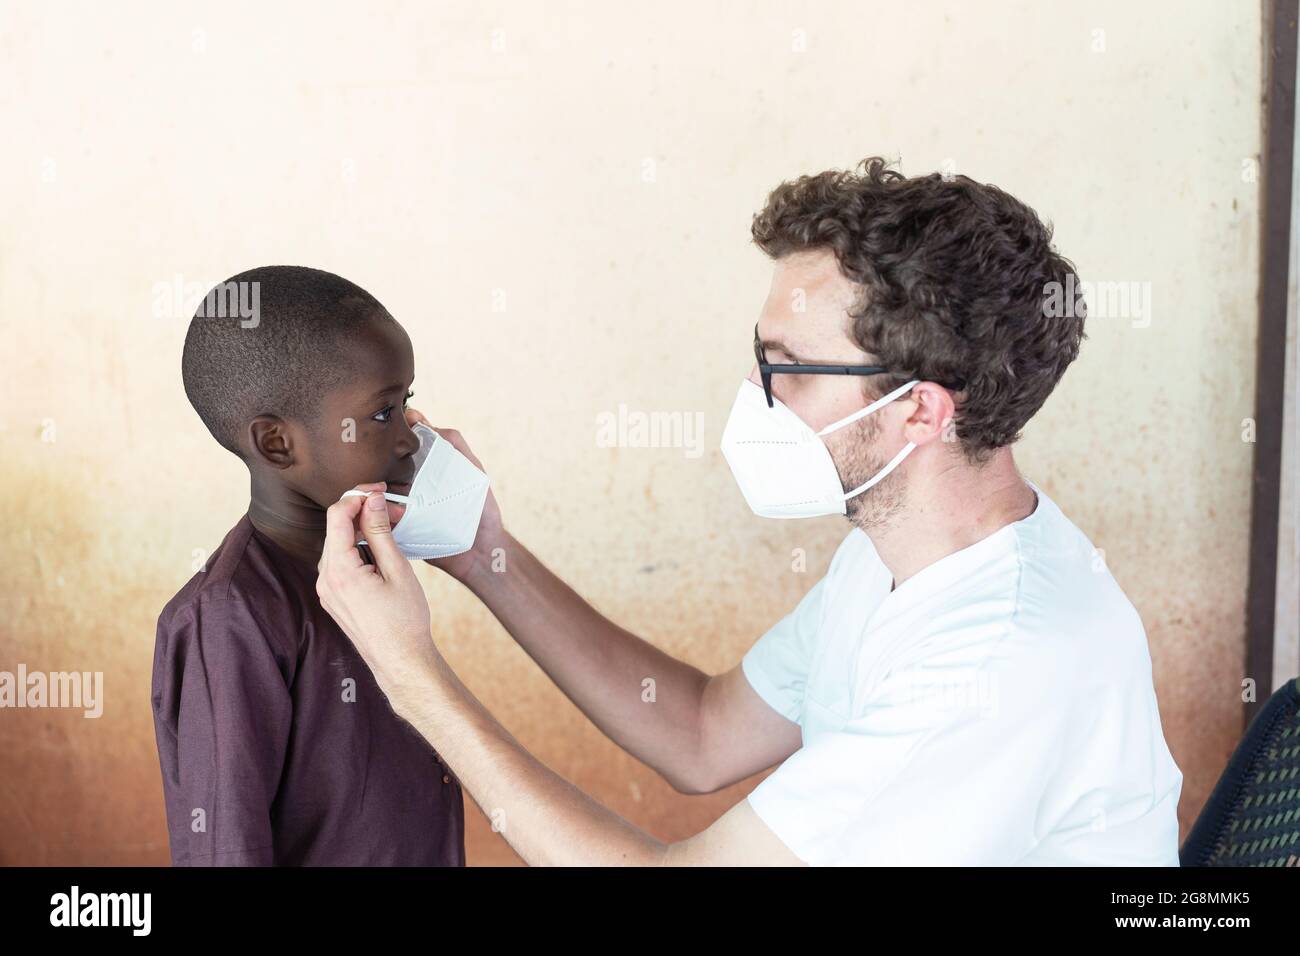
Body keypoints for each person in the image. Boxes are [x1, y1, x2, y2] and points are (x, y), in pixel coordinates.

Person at [317, 158, 1184, 865]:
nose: (755, 395)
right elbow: (703, 734)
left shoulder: (999, 662)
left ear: (920, 411)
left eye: (788, 368)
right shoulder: (898, 550)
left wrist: (408, 673)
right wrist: (486, 556)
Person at [151, 265, 465, 865]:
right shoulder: (230, 617)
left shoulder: (368, 576)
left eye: (406, 402)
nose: (409, 438)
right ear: (277, 444)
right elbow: (226, 846)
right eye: (382, 414)